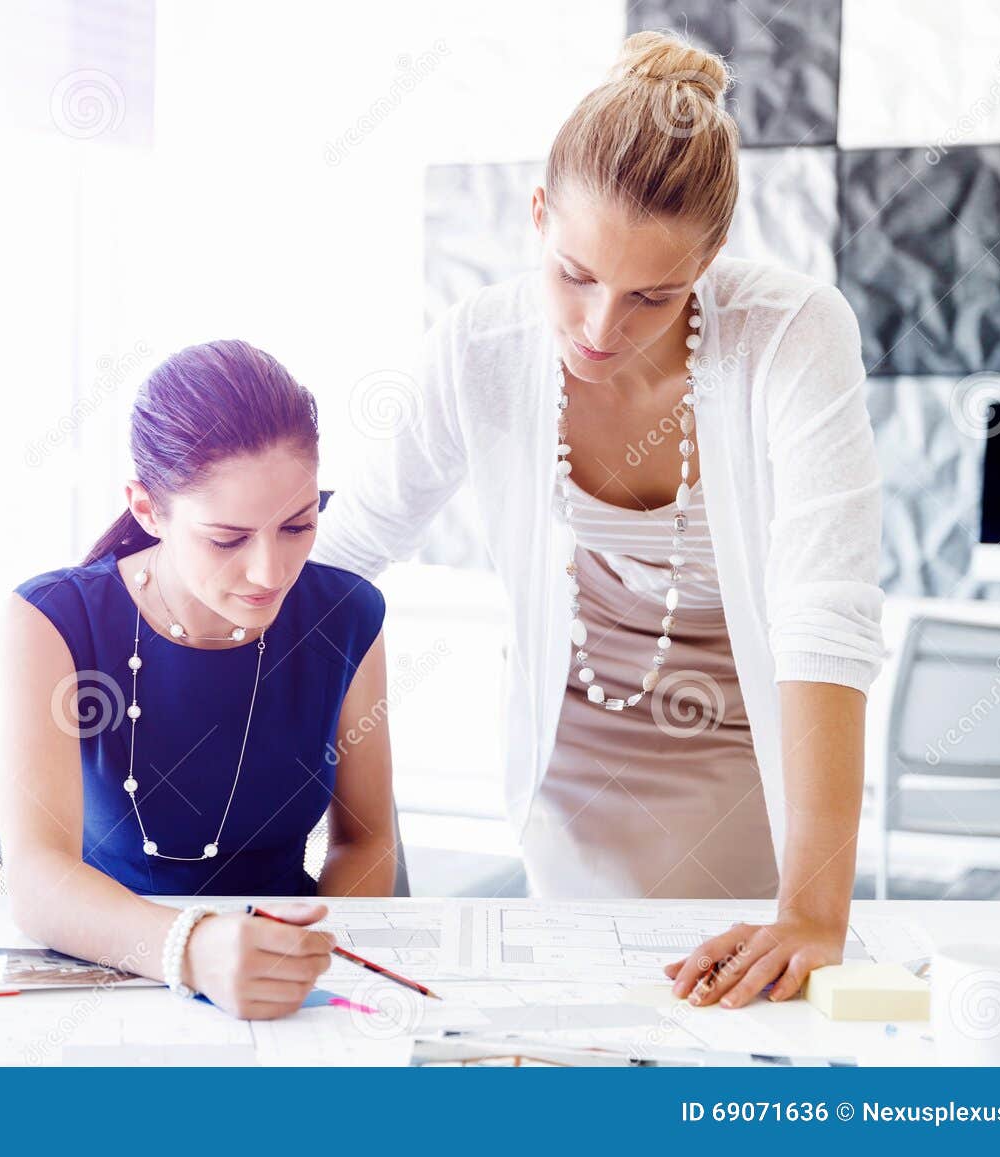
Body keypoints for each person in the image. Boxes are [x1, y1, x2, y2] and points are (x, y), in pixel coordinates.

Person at [311, 30, 885, 1010]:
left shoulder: (791, 333)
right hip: (579, 756)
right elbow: (352, 546)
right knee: (592, 1017)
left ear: (707, 263)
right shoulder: (479, 345)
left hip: (754, 748)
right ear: (537, 216)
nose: (598, 329)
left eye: (651, 296)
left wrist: (812, 906)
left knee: (751, 1017)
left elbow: (826, 606)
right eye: (573, 274)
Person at [0, 339, 396, 1020]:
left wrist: (301, 949)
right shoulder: (54, 619)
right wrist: (193, 949)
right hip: (111, 971)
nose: (271, 572)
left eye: (298, 524)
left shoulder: (347, 613)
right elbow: (36, 878)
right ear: (149, 510)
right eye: (228, 537)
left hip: (282, 987)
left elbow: (367, 839)